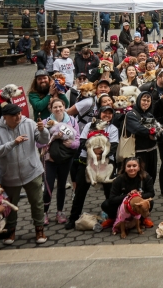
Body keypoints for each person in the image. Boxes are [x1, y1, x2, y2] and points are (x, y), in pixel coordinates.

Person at [0, 102, 50, 245]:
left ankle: (39, 229)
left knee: (37, 202)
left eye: (19, 114)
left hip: (32, 171)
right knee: (9, 205)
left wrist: (43, 131)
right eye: (14, 115)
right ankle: (11, 231)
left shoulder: (29, 123)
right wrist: (12, 143)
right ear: (5, 117)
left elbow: (44, 141)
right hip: (9, 175)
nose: (18, 117)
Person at [65, 100, 119, 230]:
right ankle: (73, 218)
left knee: (110, 191)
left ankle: (113, 217)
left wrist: (101, 155)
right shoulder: (89, 125)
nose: (107, 115)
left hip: (106, 163)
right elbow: (82, 142)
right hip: (87, 163)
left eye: (109, 113)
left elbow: (114, 146)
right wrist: (93, 151)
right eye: (104, 113)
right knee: (80, 192)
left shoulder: (113, 128)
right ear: (99, 113)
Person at [41, 97, 80, 225]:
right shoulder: (45, 122)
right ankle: (44, 212)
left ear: (64, 107)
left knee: (62, 186)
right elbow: (37, 142)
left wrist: (71, 144)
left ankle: (60, 211)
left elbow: (78, 140)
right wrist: (50, 139)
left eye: (60, 106)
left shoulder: (72, 121)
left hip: (65, 158)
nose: (58, 109)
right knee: (48, 187)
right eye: (55, 107)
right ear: (50, 109)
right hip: (50, 159)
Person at [101, 157, 155, 231]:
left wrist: (140, 195)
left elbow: (151, 193)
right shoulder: (118, 179)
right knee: (105, 204)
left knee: (150, 202)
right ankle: (113, 218)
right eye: (129, 166)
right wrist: (128, 196)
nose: (131, 168)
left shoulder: (146, 177)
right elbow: (112, 198)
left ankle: (142, 219)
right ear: (125, 168)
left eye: (134, 166)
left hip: (138, 203)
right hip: (123, 204)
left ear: (139, 167)